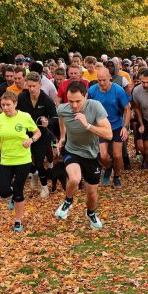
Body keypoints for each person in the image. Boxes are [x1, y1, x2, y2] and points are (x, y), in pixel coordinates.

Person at [54, 81, 113, 229]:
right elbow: (61, 118)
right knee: (74, 179)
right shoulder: (62, 109)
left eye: (78, 101)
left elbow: (109, 134)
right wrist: (62, 136)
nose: (73, 105)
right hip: (72, 150)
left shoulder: (95, 106)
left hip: (91, 155)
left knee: (92, 194)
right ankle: (68, 202)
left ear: (85, 96)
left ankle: (91, 213)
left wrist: (87, 125)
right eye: (70, 101)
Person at [0, 92, 43, 232]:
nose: (6, 108)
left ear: (15, 104)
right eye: (3, 105)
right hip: (6, 160)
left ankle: (18, 221)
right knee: (3, 191)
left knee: (19, 192)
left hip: (23, 159)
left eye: (8, 105)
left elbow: (38, 132)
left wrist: (30, 140)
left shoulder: (25, 117)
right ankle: (13, 195)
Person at [89, 68, 131, 187]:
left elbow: (127, 109)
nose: (101, 83)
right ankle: (107, 168)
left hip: (117, 125)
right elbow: (88, 107)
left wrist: (125, 127)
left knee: (117, 155)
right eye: (99, 80)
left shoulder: (118, 90)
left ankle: (116, 176)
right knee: (103, 155)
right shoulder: (92, 90)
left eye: (104, 80)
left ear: (110, 78)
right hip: (101, 127)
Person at [18, 72, 57, 197]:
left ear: (40, 85)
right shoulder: (22, 98)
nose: (31, 89)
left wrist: (48, 121)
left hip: (42, 134)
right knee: (26, 161)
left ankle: (44, 187)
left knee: (39, 162)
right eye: (29, 86)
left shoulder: (46, 100)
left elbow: (55, 117)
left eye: (34, 86)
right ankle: (34, 172)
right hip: (25, 134)